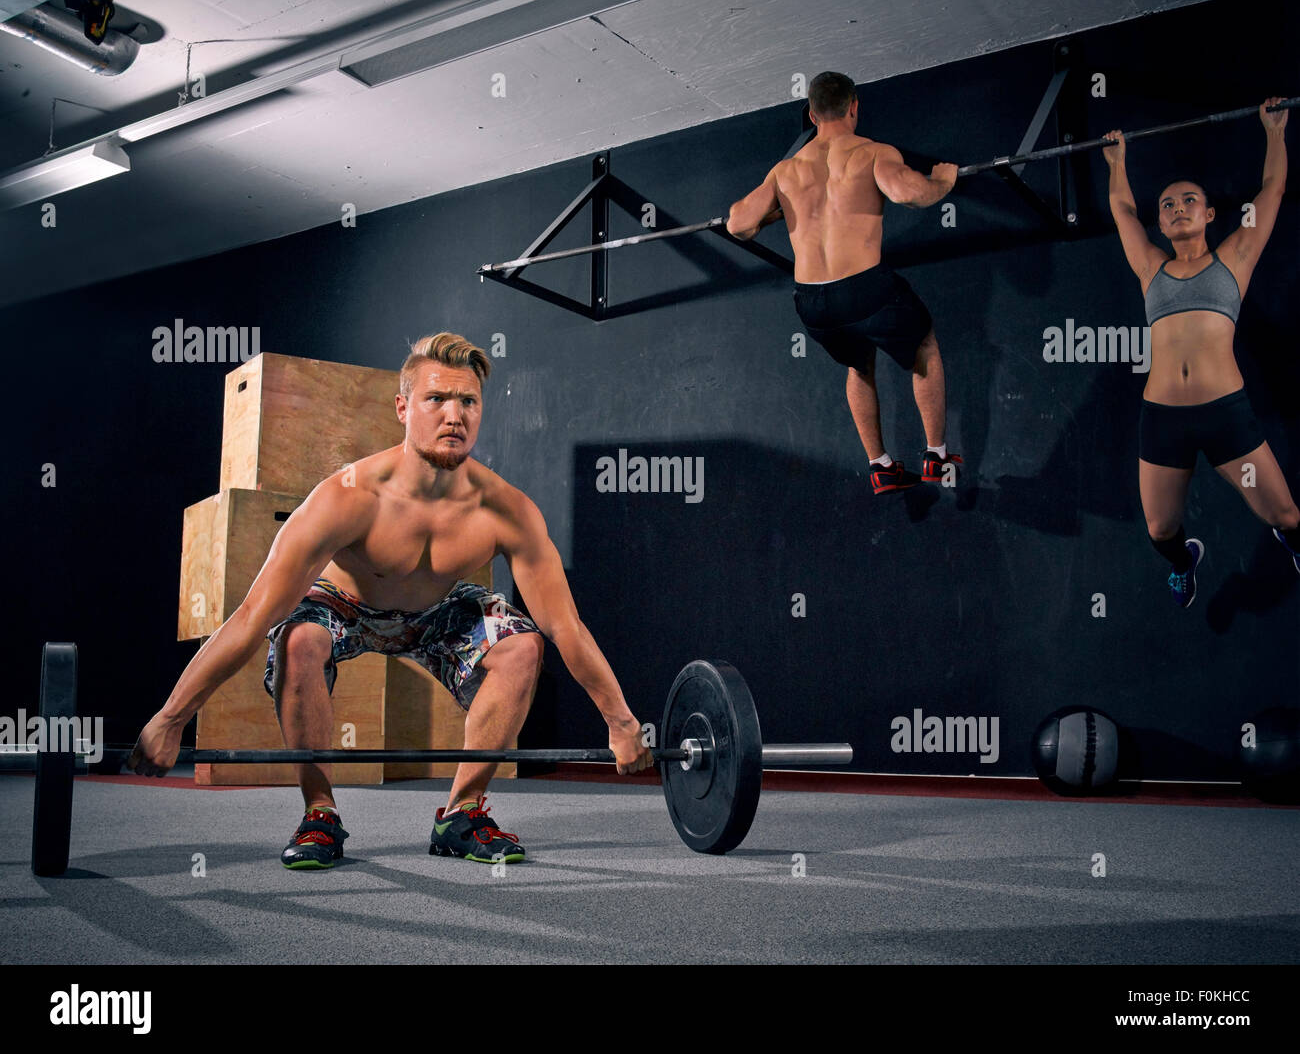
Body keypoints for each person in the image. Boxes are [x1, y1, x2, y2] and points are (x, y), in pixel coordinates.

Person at [128, 332, 652, 866]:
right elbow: (250, 616)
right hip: (345, 605)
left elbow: (566, 627)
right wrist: (170, 719)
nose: (455, 415)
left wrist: (622, 722)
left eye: (468, 402)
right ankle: (319, 815)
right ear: (403, 408)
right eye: (436, 400)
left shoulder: (506, 509)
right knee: (298, 636)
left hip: (437, 614)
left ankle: (461, 814)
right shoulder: (347, 496)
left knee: (523, 645)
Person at [1103, 97, 1300, 607]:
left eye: (1188, 200)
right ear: (1162, 224)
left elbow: (1272, 188)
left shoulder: (1235, 257)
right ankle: (1185, 561)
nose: (1176, 208)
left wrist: (1274, 131)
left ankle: (1292, 544)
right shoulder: (1151, 268)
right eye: (1167, 205)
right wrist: (1117, 162)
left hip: (1225, 414)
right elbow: (1123, 210)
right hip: (1163, 418)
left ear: (1209, 213)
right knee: (1160, 528)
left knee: (1287, 516)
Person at [726, 70, 962, 494]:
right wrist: (943, 181)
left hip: (813, 304)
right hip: (867, 289)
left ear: (812, 115)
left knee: (858, 365)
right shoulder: (870, 152)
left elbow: (738, 225)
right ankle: (937, 456)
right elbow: (908, 192)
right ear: (854, 107)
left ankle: (881, 466)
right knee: (924, 345)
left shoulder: (784, 171)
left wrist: (774, 213)